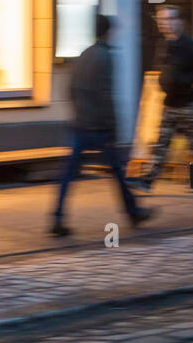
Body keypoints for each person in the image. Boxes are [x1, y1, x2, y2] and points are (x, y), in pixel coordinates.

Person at [51, 14, 153, 237]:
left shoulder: (83, 54)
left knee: (68, 175)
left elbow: (70, 88)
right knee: (116, 171)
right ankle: (133, 212)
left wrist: (78, 112)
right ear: (108, 32)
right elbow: (107, 95)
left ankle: (57, 218)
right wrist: (113, 127)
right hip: (98, 128)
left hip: (79, 125)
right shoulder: (106, 57)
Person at [131, 5, 193, 191]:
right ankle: (147, 180)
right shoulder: (165, 44)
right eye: (162, 20)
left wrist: (183, 84)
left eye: (169, 20)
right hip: (169, 104)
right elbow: (162, 69)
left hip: (188, 105)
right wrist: (164, 83)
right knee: (160, 145)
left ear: (179, 22)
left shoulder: (189, 45)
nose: (165, 24)